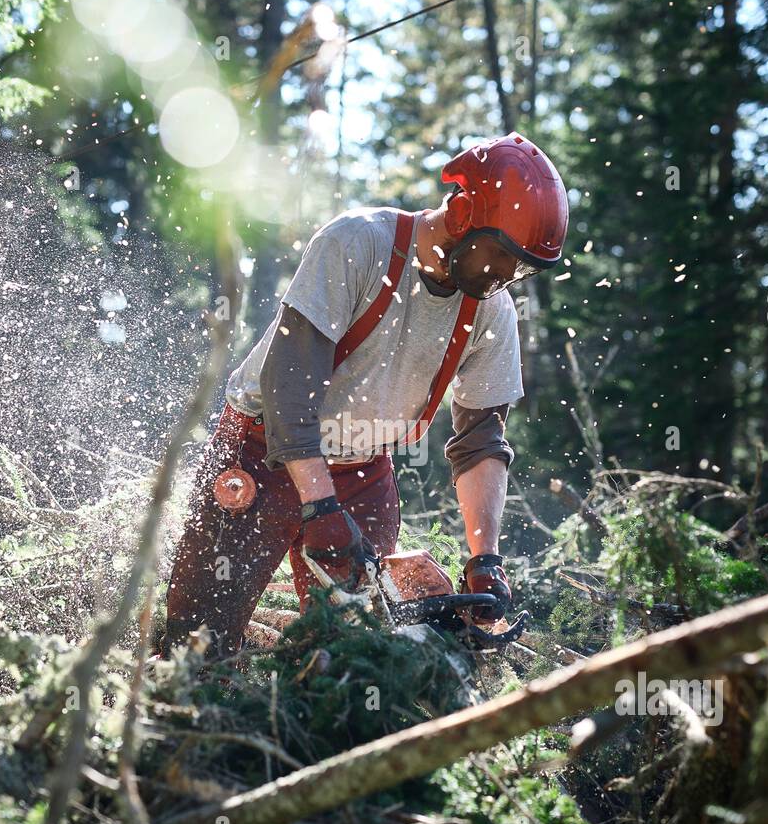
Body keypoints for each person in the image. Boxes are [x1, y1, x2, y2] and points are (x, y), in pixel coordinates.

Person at [161, 132, 569, 657]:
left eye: (523, 268)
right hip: (261, 451)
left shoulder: (492, 308)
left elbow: (481, 441)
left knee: (354, 653)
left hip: (361, 470)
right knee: (197, 644)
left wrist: (484, 558)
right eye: (502, 257)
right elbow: (288, 388)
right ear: (464, 214)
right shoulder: (358, 244)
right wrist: (318, 505)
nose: (507, 277)